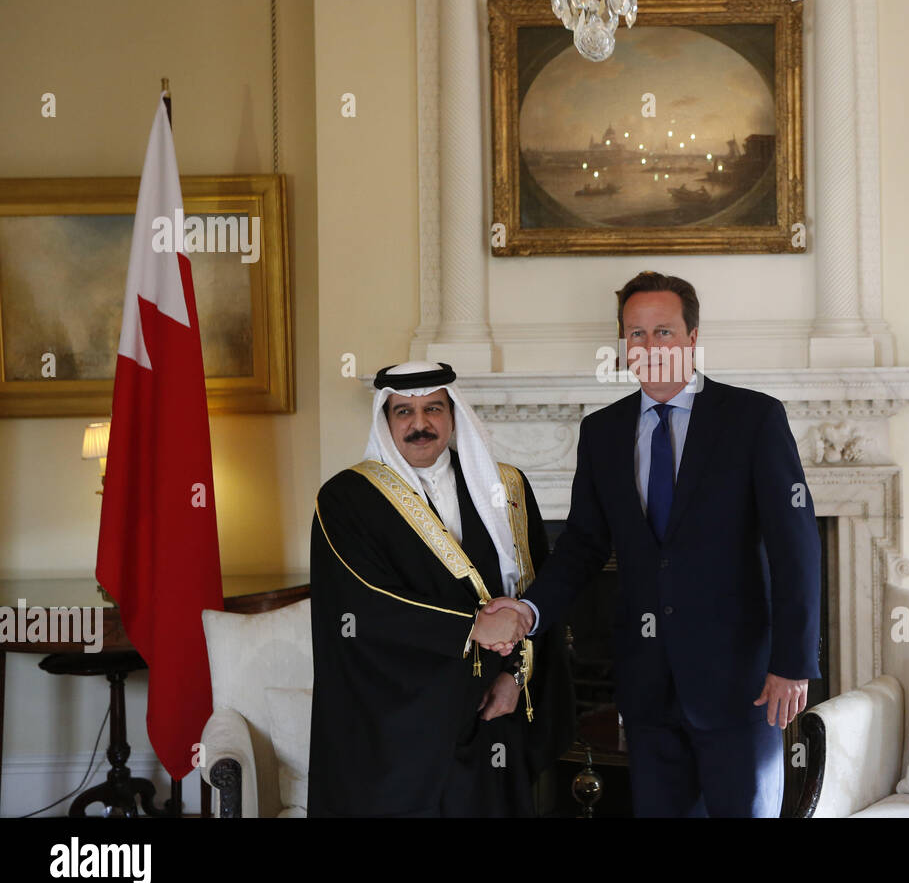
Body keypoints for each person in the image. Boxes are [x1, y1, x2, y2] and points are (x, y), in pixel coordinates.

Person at [483, 272, 821, 817]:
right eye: (635, 334)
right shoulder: (602, 432)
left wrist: (793, 661)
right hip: (647, 686)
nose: (649, 346)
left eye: (663, 331)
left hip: (742, 685)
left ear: (691, 339)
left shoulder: (753, 418)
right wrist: (528, 609)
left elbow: (796, 546)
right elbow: (583, 546)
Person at [308, 359, 573, 816]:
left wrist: (515, 677)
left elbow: (537, 587)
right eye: (404, 412)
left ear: (453, 415)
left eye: (433, 409)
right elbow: (363, 605)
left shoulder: (505, 486)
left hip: (495, 706)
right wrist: (471, 629)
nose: (420, 424)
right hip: (401, 719)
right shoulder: (347, 498)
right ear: (385, 420)